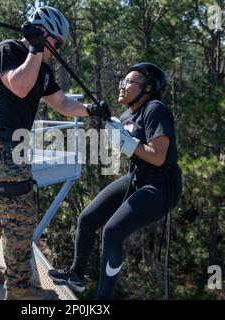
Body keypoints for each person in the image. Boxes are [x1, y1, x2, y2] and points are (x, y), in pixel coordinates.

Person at [0, 6, 110, 300]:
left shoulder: (43, 68)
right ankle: (19, 288)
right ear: (44, 34)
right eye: (57, 43)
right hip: (0, 144)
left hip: (9, 145)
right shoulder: (8, 50)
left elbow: (62, 104)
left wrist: (90, 109)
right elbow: (19, 86)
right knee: (20, 217)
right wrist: (34, 48)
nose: (59, 50)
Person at [48, 62, 183, 299]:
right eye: (122, 81)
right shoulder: (127, 115)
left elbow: (159, 156)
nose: (122, 85)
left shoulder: (155, 109)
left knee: (112, 231)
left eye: (129, 82)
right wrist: (113, 126)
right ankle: (76, 276)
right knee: (88, 219)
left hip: (161, 185)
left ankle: (103, 300)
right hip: (135, 177)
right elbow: (129, 148)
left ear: (148, 88)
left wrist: (126, 141)